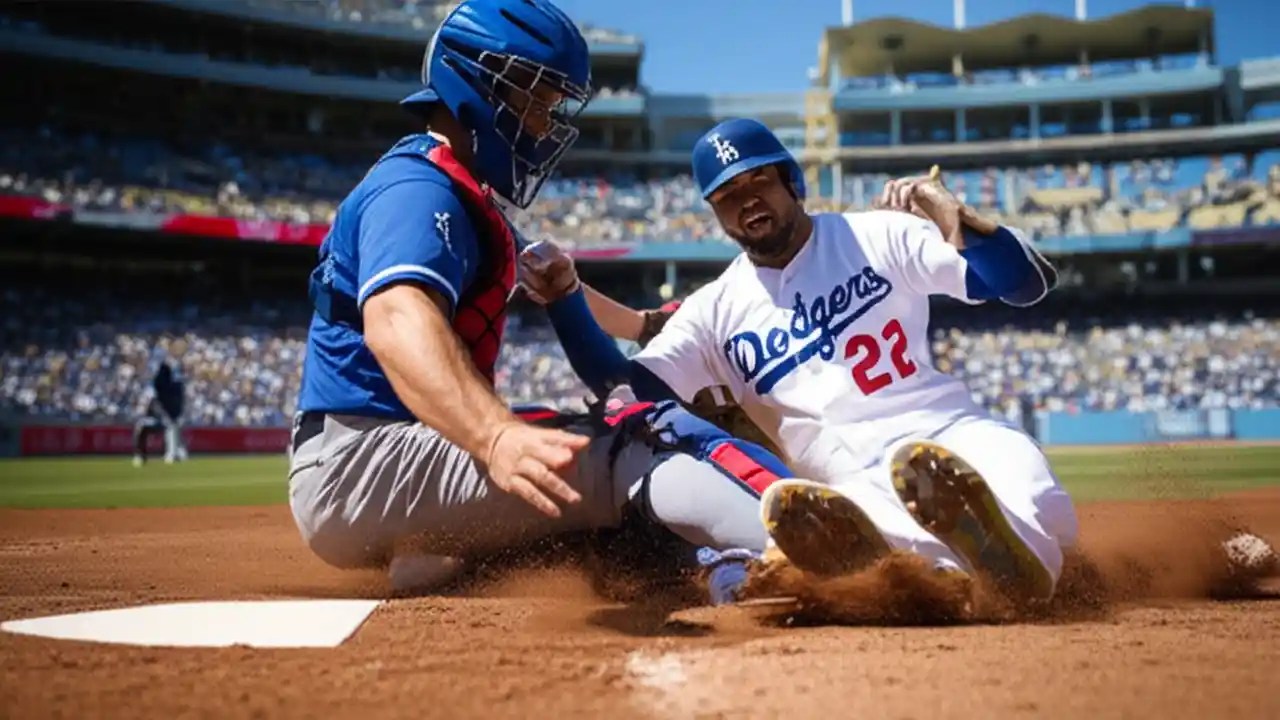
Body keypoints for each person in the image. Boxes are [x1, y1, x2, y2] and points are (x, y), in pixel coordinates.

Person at [289, 0, 781, 601]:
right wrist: (495, 436)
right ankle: (814, 550)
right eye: (535, 101)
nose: (545, 126)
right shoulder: (417, 193)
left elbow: (559, 280)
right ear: (474, 82)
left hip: (377, 461)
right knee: (642, 438)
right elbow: (396, 320)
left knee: (607, 517)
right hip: (364, 461)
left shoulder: (459, 193)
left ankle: (446, 551)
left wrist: (647, 323)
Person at [528, 118, 1080, 603]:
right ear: (716, 214)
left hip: (951, 437)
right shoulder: (714, 311)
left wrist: (957, 217)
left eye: (758, 179)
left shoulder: (878, 234)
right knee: (876, 540)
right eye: (726, 194)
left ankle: (981, 575)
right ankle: (977, 579)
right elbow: (623, 385)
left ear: (791, 180)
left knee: (1035, 494)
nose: (747, 200)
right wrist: (564, 301)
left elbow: (1020, 284)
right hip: (850, 481)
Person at [132, 355, 187, 467]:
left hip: (168, 419)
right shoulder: (155, 388)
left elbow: (176, 406)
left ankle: (174, 452)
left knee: (172, 426)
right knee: (141, 427)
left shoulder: (173, 386)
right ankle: (140, 455)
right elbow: (147, 407)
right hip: (157, 419)